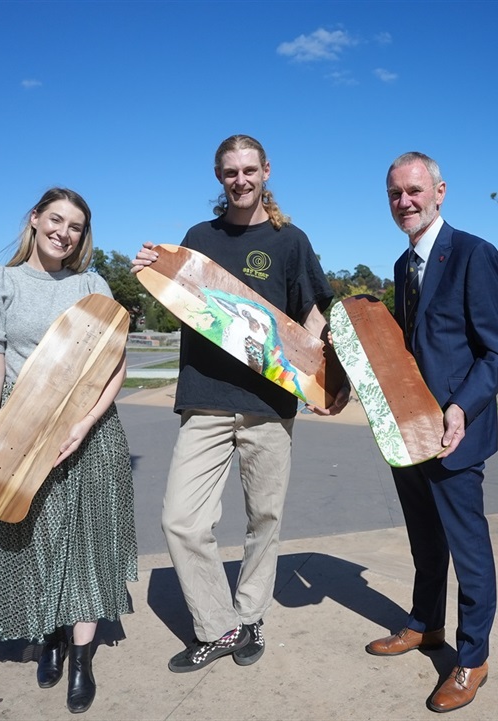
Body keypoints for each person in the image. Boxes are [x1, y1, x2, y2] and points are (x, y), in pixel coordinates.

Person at [131, 134, 346, 673]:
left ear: (266, 171)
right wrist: (150, 274)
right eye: (231, 172)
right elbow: (180, 297)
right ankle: (218, 625)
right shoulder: (197, 238)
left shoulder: (289, 240)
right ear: (218, 176)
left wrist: (319, 376)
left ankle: (250, 618)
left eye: (250, 170)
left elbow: (314, 313)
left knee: (263, 518)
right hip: (205, 399)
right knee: (181, 520)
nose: (241, 180)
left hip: (268, 404)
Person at [0, 188, 137, 715]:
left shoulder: (92, 284)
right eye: (55, 220)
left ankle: (82, 658)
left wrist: (85, 424)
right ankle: (49, 633)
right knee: (33, 540)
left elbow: (115, 368)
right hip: (21, 435)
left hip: (89, 436)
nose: (63, 233)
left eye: (74, 226)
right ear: (35, 219)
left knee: (86, 544)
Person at [365, 152, 498, 713]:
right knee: (425, 544)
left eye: (414, 190)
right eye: (395, 193)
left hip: (457, 435)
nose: (405, 201)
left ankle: (472, 658)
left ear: (440, 191)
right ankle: (424, 624)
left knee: (468, 552)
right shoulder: (404, 268)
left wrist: (461, 409)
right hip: (410, 434)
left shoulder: (475, 255)